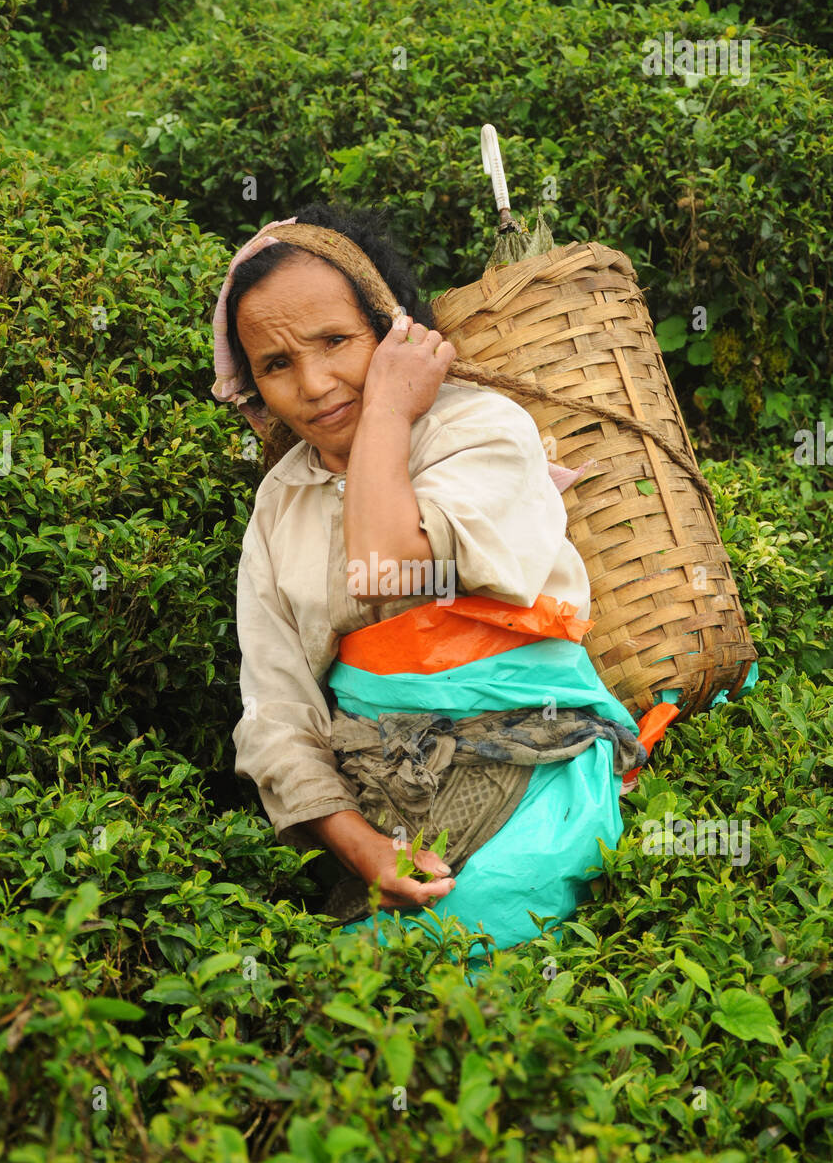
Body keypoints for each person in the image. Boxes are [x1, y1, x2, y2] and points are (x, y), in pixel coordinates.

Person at [211, 201, 648, 963]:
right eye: (276, 366)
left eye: (336, 342)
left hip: (533, 769)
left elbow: (386, 561)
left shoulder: (480, 431)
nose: (313, 385)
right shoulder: (280, 503)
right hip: (383, 807)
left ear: (392, 328)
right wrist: (364, 850)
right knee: (347, 991)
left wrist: (385, 407)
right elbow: (276, 706)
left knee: (469, 949)